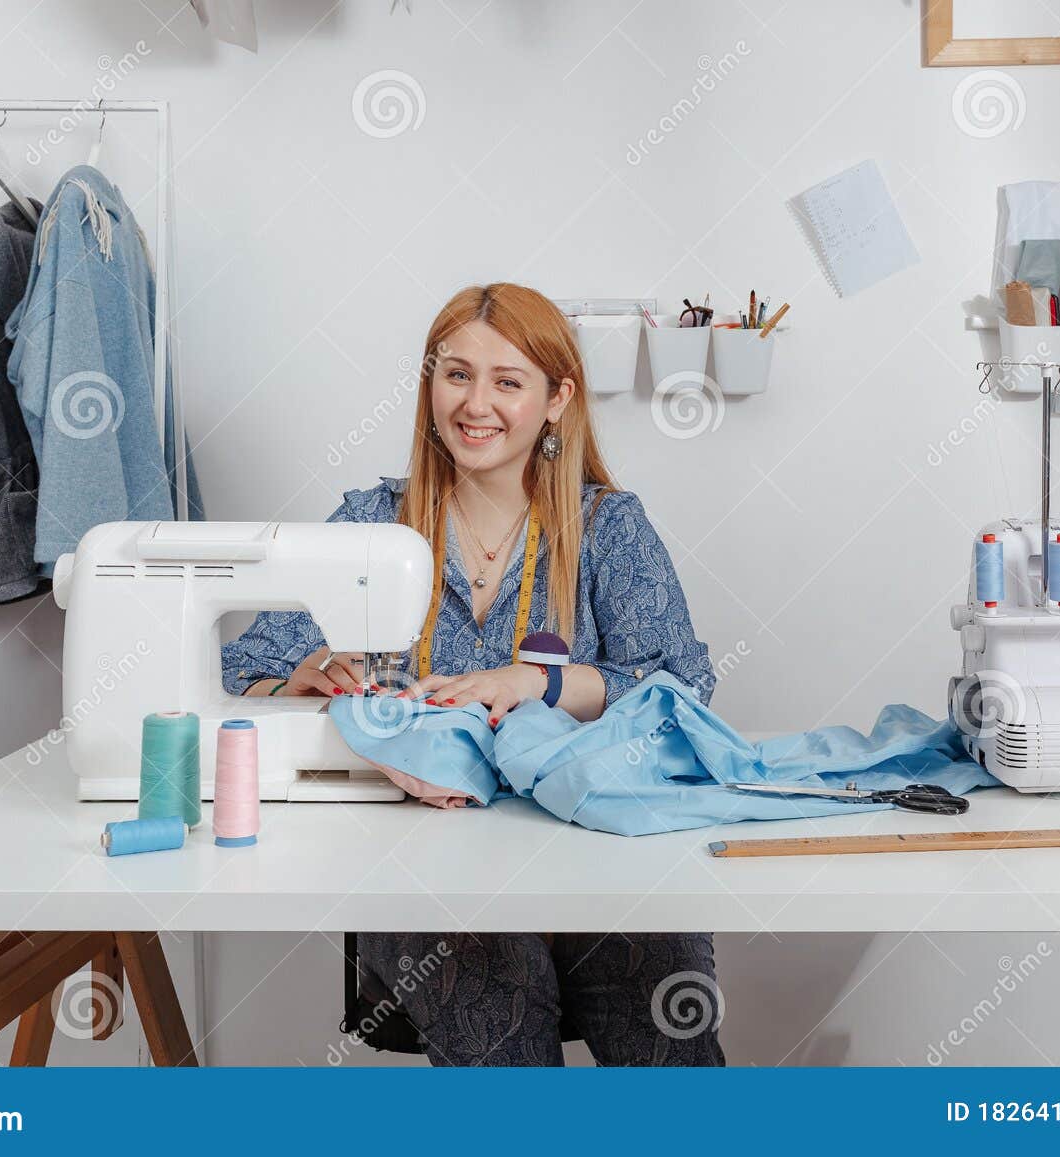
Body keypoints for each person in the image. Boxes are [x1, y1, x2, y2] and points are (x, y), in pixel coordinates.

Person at [222, 282, 722, 1066]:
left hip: (595, 847)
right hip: (426, 864)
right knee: (498, 1003)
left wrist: (539, 684)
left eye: (507, 381)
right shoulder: (371, 525)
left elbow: (683, 688)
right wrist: (308, 678)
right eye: (455, 374)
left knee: (663, 1017)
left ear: (558, 399)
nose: (475, 403)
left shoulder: (608, 529)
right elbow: (243, 671)